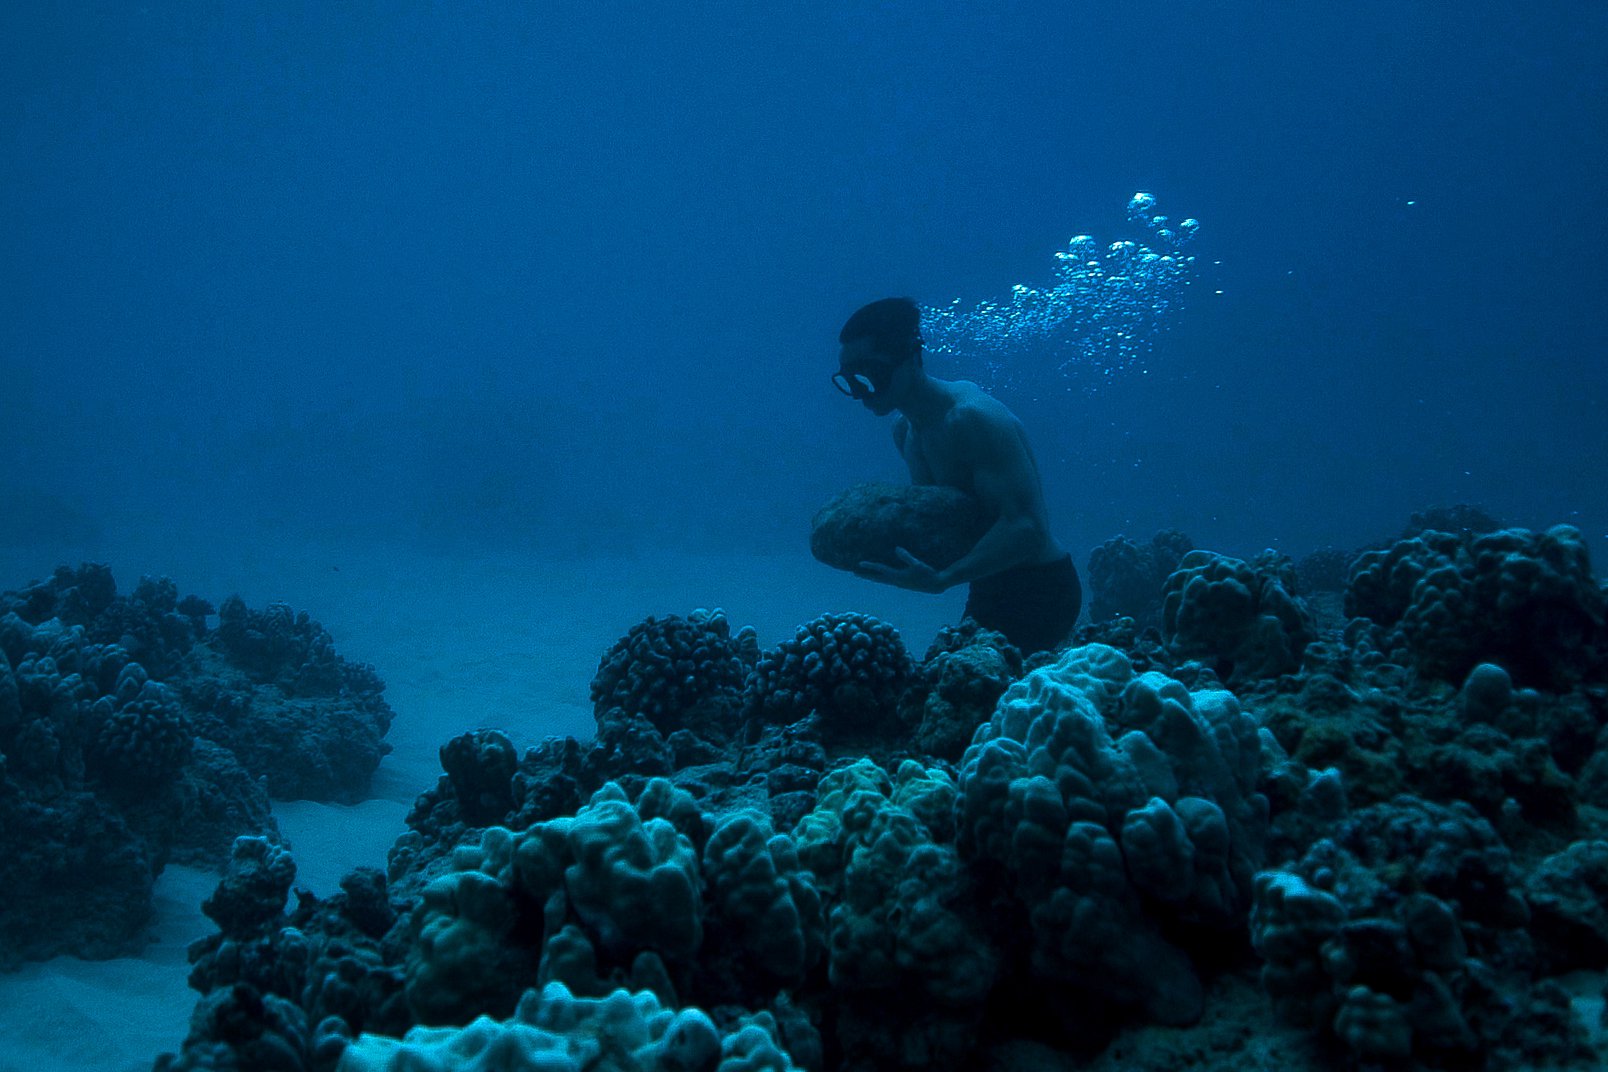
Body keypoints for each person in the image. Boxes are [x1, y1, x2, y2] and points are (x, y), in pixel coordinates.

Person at [833, 296, 1081, 656]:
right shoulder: (904, 432)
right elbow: (945, 522)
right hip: (987, 584)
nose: (860, 393)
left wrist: (943, 580)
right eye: (849, 380)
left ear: (911, 358)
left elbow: (1027, 528)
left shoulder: (973, 420)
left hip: (1042, 587)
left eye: (870, 375)